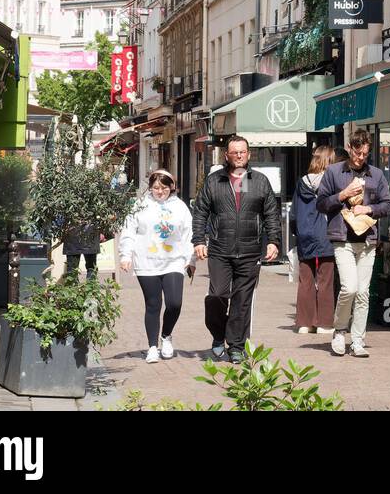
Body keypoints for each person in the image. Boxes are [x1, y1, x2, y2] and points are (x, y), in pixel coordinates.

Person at [191, 136, 281, 364]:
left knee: (242, 301)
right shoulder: (215, 181)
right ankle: (219, 335)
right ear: (227, 155)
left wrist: (274, 241)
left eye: (243, 152)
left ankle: (237, 346)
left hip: (250, 251)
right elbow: (200, 211)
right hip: (221, 249)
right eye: (234, 152)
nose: (239, 155)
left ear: (249, 155)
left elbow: (271, 212)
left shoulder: (259, 181)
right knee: (218, 295)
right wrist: (199, 240)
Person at [316, 128, 390, 358]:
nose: (361, 158)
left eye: (365, 154)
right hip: (342, 238)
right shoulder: (333, 172)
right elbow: (320, 204)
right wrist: (342, 195)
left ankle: (358, 339)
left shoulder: (376, 175)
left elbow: (388, 205)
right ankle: (340, 331)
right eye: (357, 153)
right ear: (350, 148)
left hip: (367, 239)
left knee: (363, 292)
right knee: (349, 287)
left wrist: (368, 208)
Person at [118, 169, 193, 363]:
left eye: (164, 187)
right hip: (147, 260)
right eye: (156, 188)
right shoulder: (140, 205)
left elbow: (188, 234)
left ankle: (166, 336)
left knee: (174, 302)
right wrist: (126, 255)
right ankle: (152, 346)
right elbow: (129, 231)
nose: (160, 192)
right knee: (153, 304)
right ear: (150, 188)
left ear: (172, 187)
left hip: (174, 260)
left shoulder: (180, 207)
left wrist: (190, 259)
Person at [292, 145, 336, 335]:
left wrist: (298, 231)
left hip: (304, 234)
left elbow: (294, 213)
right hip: (325, 234)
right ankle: (324, 323)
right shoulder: (331, 183)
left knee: (305, 280)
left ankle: (304, 323)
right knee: (325, 279)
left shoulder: (301, 183)